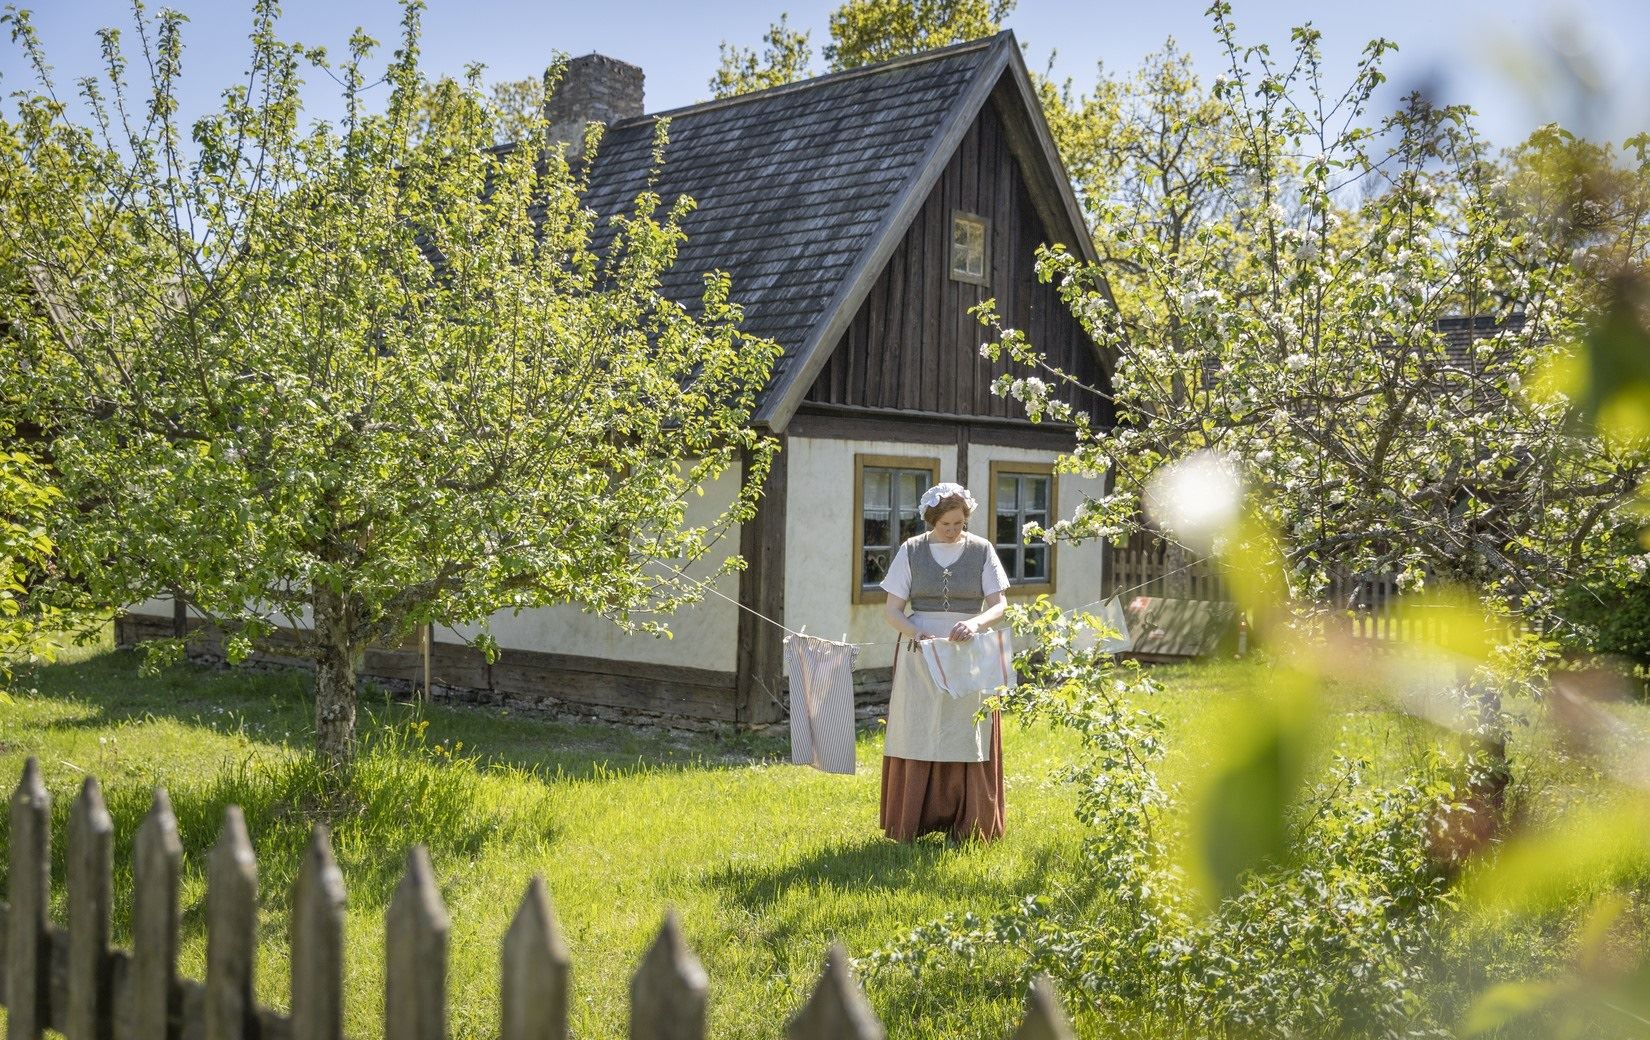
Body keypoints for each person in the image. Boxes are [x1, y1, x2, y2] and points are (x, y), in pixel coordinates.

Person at [877, 481, 1010, 842]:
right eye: (945, 524)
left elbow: (999, 604)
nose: (952, 531)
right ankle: (912, 822)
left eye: (958, 523)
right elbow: (892, 610)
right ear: (931, 521)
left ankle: (969, 824)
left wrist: (975, 622)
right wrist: (915, 633)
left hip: (969, 651)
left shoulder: (982, 550)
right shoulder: (911, 550)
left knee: (968, 730)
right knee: (918, 728)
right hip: (921, 652)